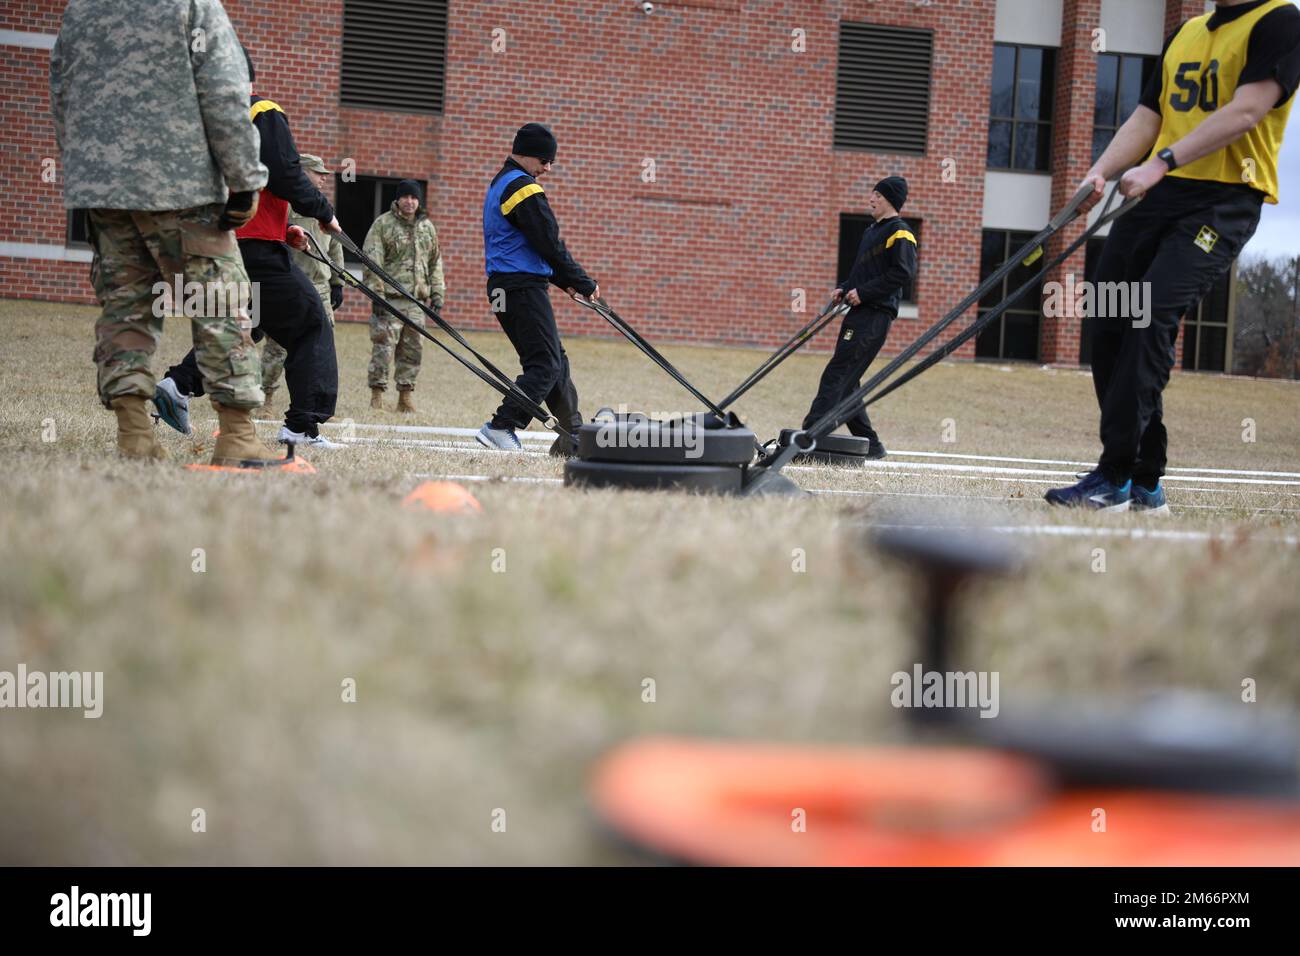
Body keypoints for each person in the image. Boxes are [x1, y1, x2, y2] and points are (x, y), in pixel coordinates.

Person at [1047, 0, 1300, 513]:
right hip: (1159, 194)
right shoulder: (1186, 33)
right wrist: (1099, 174)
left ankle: (1113, 476)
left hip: (1223, 198)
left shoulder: (1281, 21)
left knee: (1153, 314)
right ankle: (1143, 480)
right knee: (1112, 314)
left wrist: (1162, 162)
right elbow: (1149, 116)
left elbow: (1248, 110)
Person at [50, 0, 277, 466]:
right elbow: (224, 92)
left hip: (106, 189)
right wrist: (245, 178)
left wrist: (85, 170)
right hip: (181, 181)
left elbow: (62, 88)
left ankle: (134, 434)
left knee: (126, 306)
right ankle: (236, 437)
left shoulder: (82, 9)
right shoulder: (191, 5)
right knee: (218, 301)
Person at [151, 50, 345, 451]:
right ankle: (302, 426)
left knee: (244, 328)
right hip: (252, 251)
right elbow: (284, 171)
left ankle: (178, 385)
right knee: (312, 323)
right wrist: (322, 212)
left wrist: (282, 226)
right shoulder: (262, 110)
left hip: (211, 246)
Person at [476, 123, 598, 452]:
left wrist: (564, 283)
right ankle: (501, 426)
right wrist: (582, 281)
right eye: (545, 161)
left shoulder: (501, 182)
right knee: (544, 363)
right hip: (520, 288)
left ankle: (572, 437)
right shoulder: (522, 187)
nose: (547, 169)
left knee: (554, 359)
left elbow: (528, 246)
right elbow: (549, 243)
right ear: (527, 153)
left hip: (508, 285)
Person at [800, 176, 917, 460]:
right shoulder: (871, 232)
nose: (871, 198)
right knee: (849, 380)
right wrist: (845, 287)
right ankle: (871, 445)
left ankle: (808, 437)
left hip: (875, 315)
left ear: (890, 199)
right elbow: (862, 272)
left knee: (837, 374)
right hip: (859, 312)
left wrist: (863, 293)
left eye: (876, 194)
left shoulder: (901, 233)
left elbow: (902, 274)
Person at [260, 153, 344, 414]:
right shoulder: (286, 206)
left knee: (322, 347)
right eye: (318, 173)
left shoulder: (320, 205)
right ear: (303, 172)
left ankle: (315, 406)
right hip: (291, 286)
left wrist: (337, 282)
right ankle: (265, 397)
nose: (323, 179)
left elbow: (335, 248)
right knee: (276, 347)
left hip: (319, 286)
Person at [363, 179, 444, 413]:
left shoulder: (426, 227)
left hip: (417, 303)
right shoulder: (383, 225)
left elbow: (435, 262)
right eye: (406, 197)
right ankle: (376, 396)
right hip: (389, 301)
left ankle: (405, 398)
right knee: (383, 349)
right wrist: (376, 295)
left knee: (412, 350)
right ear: (397, 199)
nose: (410, 201)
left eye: (414, 197)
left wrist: (438, 293)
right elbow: (371, 261)